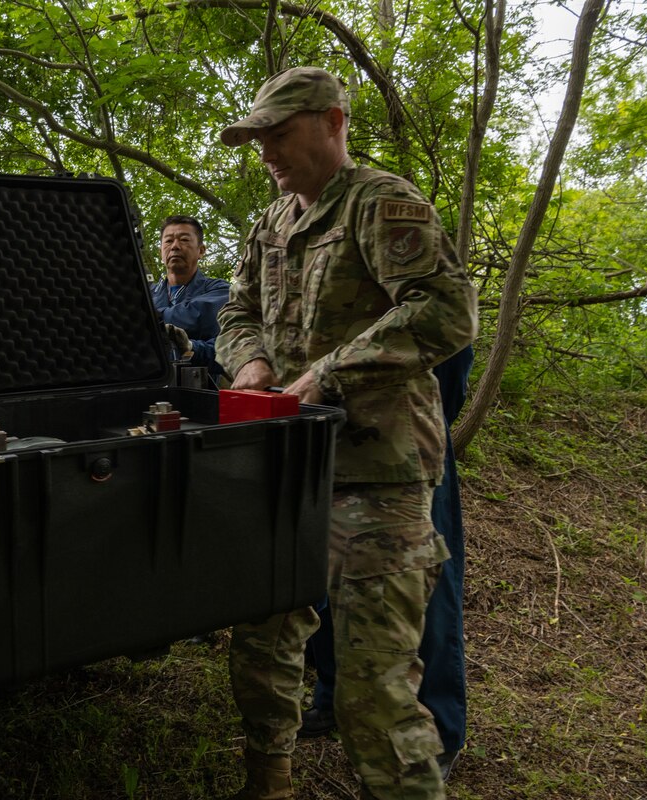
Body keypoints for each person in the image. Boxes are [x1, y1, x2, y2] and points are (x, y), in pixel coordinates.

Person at [214, 66, 478, 800]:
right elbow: (234, 314)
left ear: (332, 122)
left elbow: (448, 311)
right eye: (257, 138)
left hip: (377, 472)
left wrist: (329, 374)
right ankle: (269, 779)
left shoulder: (381, 203)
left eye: (279, 133)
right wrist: (254, 361)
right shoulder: (272, 222)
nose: (266, 152)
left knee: (374, 688)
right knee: (263, 645)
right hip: (289, 468)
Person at [301, 344, 476, 783]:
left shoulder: (416, 277)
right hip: (323, 438)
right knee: (326, 576)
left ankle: (437, 730)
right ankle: (332, 696)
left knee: (422, 589)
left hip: (403, 442)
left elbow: (448, 358)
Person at [151, 215, 229, 383]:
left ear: (201, 250)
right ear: (160, 252)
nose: (175, 246)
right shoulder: (147, 294)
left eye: (184, 240)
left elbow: (223, 349)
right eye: (168, 241)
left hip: (198, 392)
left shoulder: (219, 290)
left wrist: (146, 321)